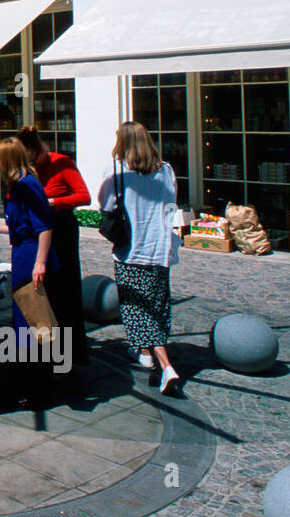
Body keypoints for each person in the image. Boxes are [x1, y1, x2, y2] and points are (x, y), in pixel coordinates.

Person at [98, 121, 183, 397]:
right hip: (160, 249)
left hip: (131, 250)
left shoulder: (117, 171)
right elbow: (172, 207)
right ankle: (147, 354)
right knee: (158, 305)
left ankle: (166, 366)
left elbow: (106, 205)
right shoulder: (166, 170)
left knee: (138, 309)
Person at [0, 138, 61, 405]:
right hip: (23, 255)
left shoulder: (27, 187)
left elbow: (44, 226)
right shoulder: (21, 185)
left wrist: (39, 263)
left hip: (30, 259)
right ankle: (33, 384)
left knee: (35, 325)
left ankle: (37, 389)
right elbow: (17, 227)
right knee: (28, 325)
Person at [17, 126, 90, 367]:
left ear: (35, 150)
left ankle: (71, 351)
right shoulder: (27, 170)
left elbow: (84, 197)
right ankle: (47, 350)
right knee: (44, 291)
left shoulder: (61, 163)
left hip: (61, 229)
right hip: (40, 229)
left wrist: (54, 202)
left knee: (65, 288)